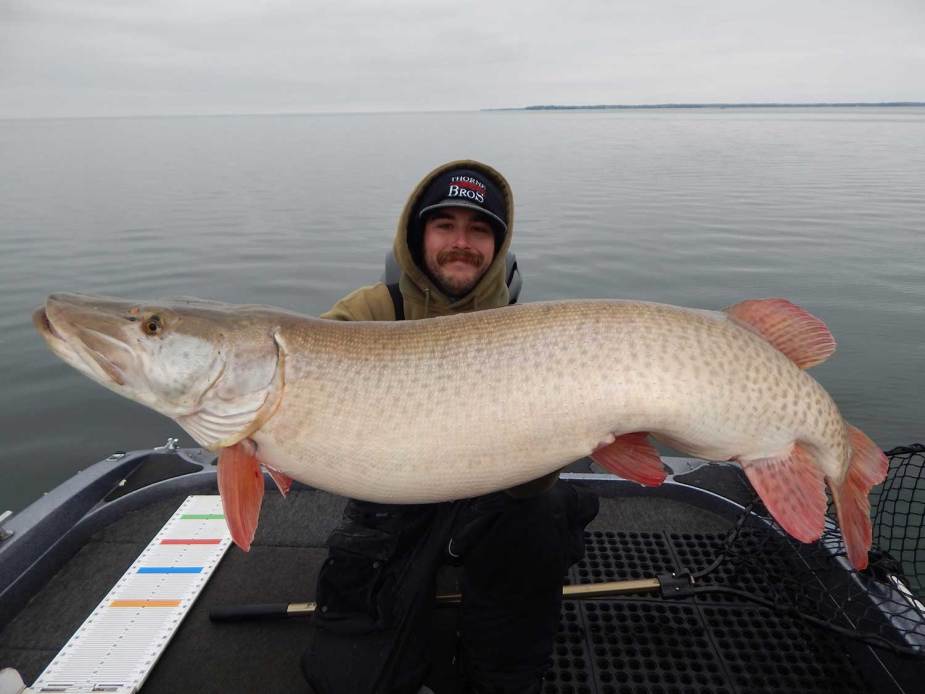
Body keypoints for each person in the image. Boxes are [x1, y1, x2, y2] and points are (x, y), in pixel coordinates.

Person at [300, 160, 599, 694]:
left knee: (542, 515)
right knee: (346, 679)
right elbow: (307, 374)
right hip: (391, 495)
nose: (461, 242)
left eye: (479, 229)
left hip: (492, 495)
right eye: (446, 225)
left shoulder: (526, 331)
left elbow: (530, 482)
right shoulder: (371, 311)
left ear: (497, 246)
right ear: (418, 235)